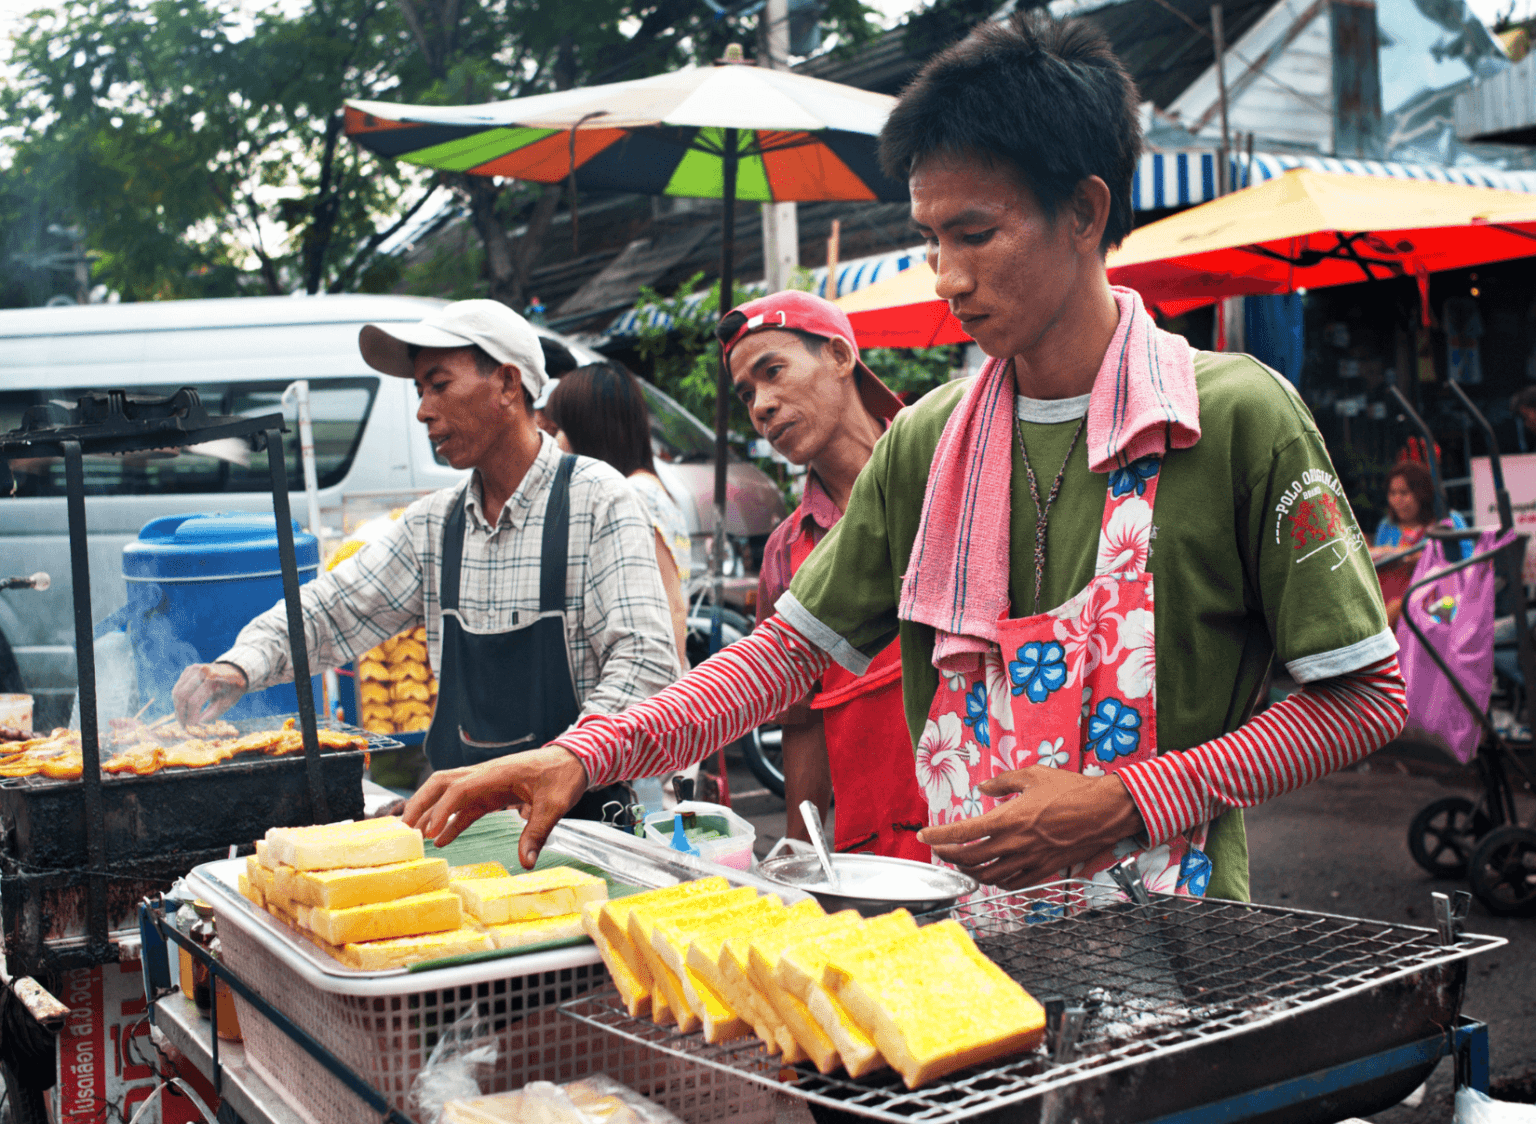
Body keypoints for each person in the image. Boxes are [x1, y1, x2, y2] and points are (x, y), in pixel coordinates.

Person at [403, 14, 1408, 899]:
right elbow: (785, 656)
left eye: (976, 232)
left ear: (1086, 211)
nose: (948, 277)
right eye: (930, 238)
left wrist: (1127, 798)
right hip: (964, 934)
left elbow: (1364, 695)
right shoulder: (930, 441)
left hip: (1184, 935)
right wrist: (584, 754)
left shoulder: (1230, 417)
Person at [173, 299, 680, 820]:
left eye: (439, 385)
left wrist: (565, 759)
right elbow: (333, 609)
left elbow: (645, 660)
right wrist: (240, 664)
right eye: (419, 390)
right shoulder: (435, 525)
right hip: (464, 829)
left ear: (507, 385)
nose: (422, 410)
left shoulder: (597, 499)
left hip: (577, 825)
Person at [732, 290, 929, 860]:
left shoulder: (951, 469)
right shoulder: (785, 553)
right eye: (747, 394)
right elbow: (800, 722)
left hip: (988, 830)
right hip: (876, 855)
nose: (761, 405)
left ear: (841, 357)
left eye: (773, 372)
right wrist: (799, 848)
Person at [544, 361, 691, 669]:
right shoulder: (647, 488)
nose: (555, 442)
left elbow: (671, 608)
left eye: (560, 430)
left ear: (589, 431)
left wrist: (666, 705)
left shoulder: (633, 495)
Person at [1369, 460, 1470, 624]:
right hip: (1392, 596)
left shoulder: (1449, 521)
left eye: (1404, 493)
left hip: (1441, 597)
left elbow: (1466, 564)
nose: (1397, 500)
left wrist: (1423, 559)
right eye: (1392, 493)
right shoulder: (1387, 526)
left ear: (1421, 494)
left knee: (1398, 606)